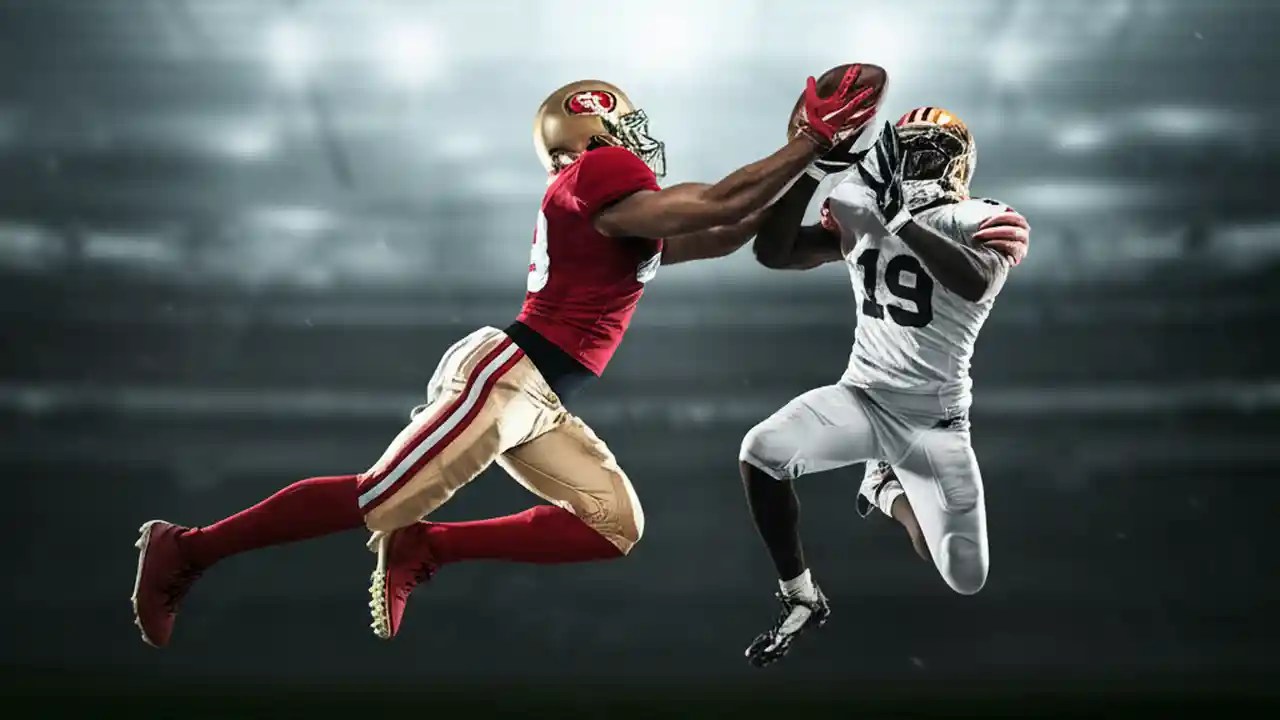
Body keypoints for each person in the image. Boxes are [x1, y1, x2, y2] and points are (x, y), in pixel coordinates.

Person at [131, 69, 879, 647]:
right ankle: (187, 548)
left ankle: (427, 549)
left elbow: (724, 233)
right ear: (592, 136)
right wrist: (810, 140)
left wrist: (811, 167)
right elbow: (718, 205)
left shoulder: (613, 207)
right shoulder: (591, 176)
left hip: (538, 395)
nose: (640, 140)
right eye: (625, 126)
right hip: (506, 375)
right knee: (383, 495)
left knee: (610, 524)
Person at [737, 110, 1032, 667]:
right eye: (910, 148)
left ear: (957, 163)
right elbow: (772, 253)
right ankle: (799, 592)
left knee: (962, 571)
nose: (919, 160)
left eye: (931, 150)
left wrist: (901, 222)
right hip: (864, 397)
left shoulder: (983, 217)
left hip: (935, 422)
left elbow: (970, 285)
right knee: (761, 451)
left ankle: (883, 488)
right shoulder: (864, 214)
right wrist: (814, 173)